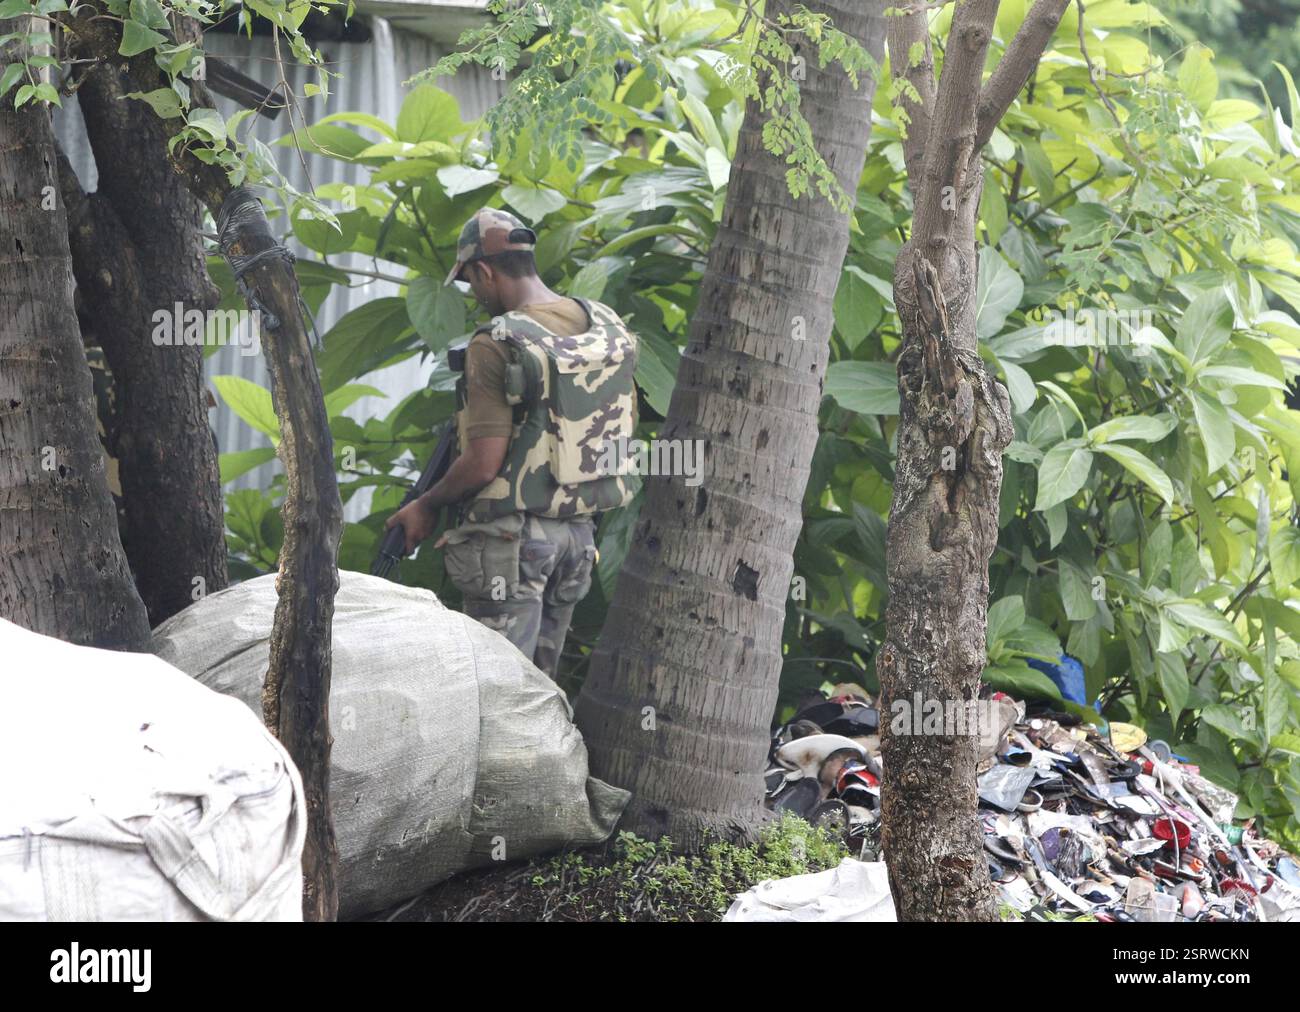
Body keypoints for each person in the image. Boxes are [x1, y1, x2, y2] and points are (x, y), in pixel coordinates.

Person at [385, 208, 639, 677]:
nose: (475, 295)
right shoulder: (601, 322)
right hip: (578, 538)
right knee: (540, 692)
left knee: (499, 694)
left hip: (512, 545)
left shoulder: (498, 341)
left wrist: (427, 502)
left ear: (483, 270)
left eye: (470, 282)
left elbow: (483, 463)